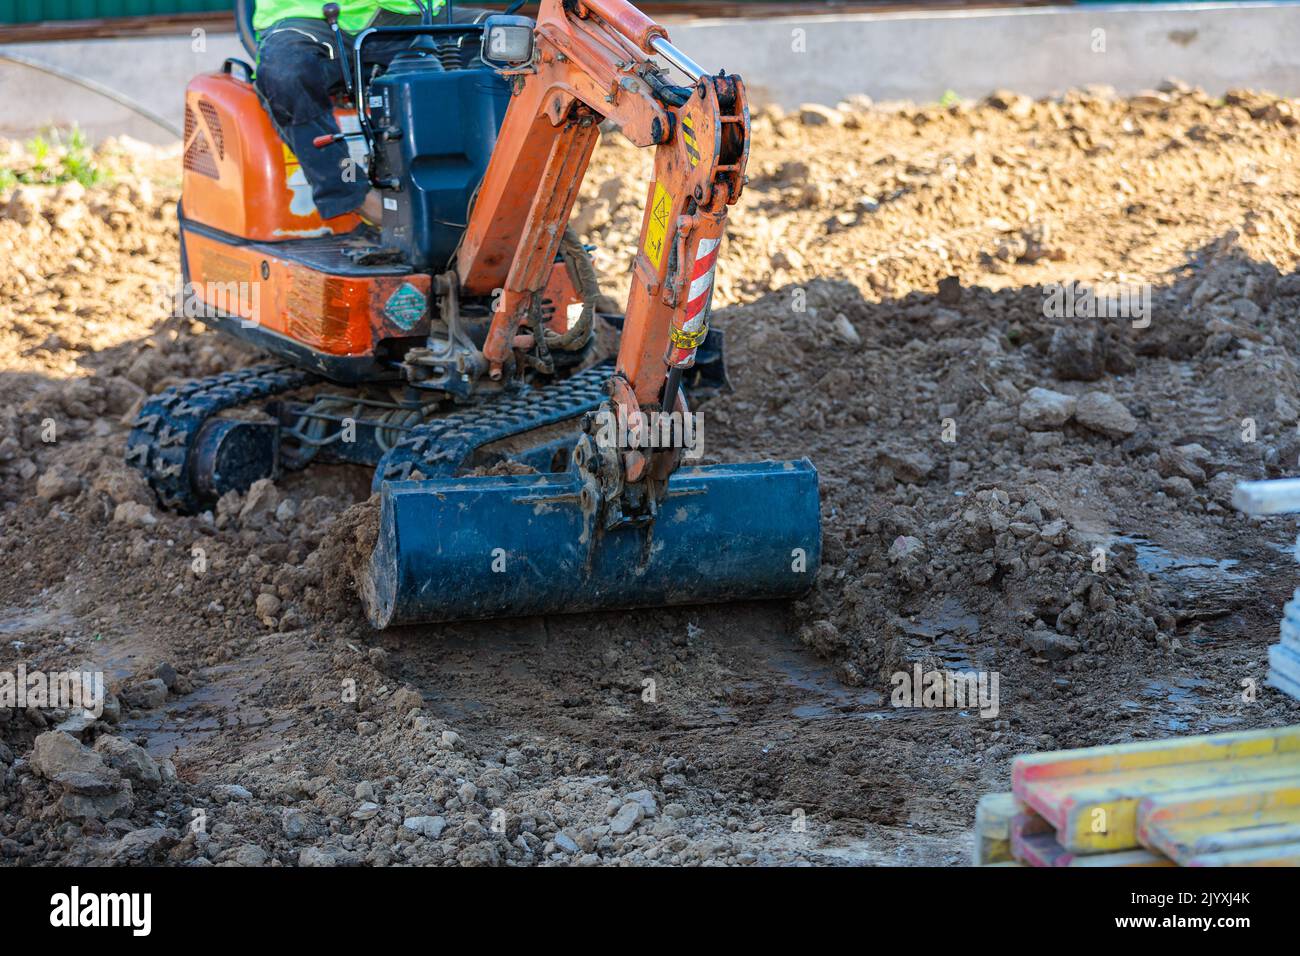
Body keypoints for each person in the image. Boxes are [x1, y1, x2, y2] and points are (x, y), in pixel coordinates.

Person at [251, 0, 444, 223]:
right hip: (308, 19)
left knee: (491, 38)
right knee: (286, 73)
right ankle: (353, 195)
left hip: (400, 10)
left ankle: (476, 188)